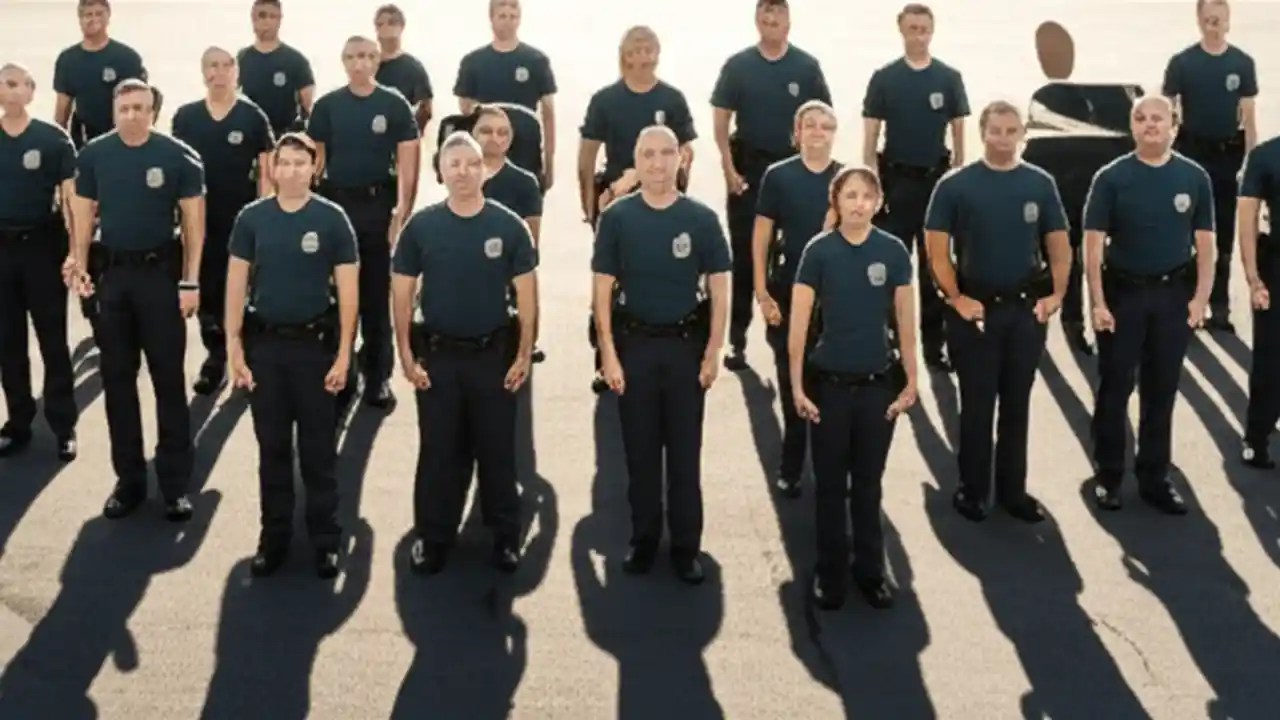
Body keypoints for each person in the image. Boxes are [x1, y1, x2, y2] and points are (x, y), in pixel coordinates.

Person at [391, 132, 537, 575]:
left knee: (497, 451)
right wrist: (406, 355)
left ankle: (506, 538)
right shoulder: (421, 228)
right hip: (439, 357)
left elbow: (528, 298)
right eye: (454, 164)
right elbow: (401, 295)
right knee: (439, 452)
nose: (463, 172)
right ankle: (433, 539)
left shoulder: (508, 226)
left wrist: (524, 354)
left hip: (492, 355)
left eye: (471, 164)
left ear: (485, 169)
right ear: (440, 171)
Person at [592, 125, 731, 584]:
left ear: (681, 159)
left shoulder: (701, 219)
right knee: (641, 451)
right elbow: (602, 290)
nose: (657, 163)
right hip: (635, 347)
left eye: (666, 153)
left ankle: (686, 548)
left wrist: (713, 350)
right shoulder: (617, 218)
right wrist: (608, 353)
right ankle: (644, 540)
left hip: (686, 347)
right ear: (636, 160)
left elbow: (719, 286)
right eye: (648, 154)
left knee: (686, 453)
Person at [63, 79, 205, 521]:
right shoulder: (94, 156)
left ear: (153, 111)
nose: (131, 116)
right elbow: (82, 219)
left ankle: (175, 486)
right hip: (114, 279)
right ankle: (128, 482)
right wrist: (80, 265)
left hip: (160, 278)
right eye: (124, 108)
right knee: (118, 383)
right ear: (113, 109)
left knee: (168, 382)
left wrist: (190, 281)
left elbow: (194, 225)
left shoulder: (178, 156)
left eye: (140, 108)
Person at [924, 101, 1072, 523]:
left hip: (1025, 312)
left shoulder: (1039, 183)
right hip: (976, 312)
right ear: (983, 133)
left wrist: (1057, 294)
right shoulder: (956, 185)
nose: (1003, 138)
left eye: (1011, 131)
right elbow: (937, 250)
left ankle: (1013, 492)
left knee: (1016, 404)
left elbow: (1058, 243)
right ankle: (972, 491)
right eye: (996, 130)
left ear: (1022, 134)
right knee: (976, 405)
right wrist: (955, 298)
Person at [224, 132, 359, 579]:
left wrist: (343, 355)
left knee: (319, 452)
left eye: (302, 163)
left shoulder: (333, 219)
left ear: (314, 168)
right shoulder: (252, 219)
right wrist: (234, 347)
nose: (293, 171)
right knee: (273, 449)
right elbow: (236, 286)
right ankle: (273, 536)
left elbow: (349, 294)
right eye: (285, 163)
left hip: (315, 350)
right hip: (266, 350)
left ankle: (326, 540)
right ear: (273, 169)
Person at [789, 165, 918, 610]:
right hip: (829, 388)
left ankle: (871, 571)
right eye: (850, 196)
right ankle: (830, 572)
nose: (859, 204)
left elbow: (905, 321)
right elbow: (800, 325)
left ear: (878, 202)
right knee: (829, 485)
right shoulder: (818, 252)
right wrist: (797, 387)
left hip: (877, 387)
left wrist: (912, 381)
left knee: (868, 484)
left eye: (866, 196)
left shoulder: (894, 251)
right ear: (836, 202)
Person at [1084, 95, 1214, 514]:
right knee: (1115, 387)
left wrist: (1200, 298)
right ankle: (1108, 475)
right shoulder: (1111, 177)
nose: (1149, 125)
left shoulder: (1194, 177)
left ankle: (1155, 477)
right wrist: (1098, 302)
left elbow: (1206, 243)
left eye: (1157, 118)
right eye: (1140, 119)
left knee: (1162, 390)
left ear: (1174, 126)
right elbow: (1092, 244)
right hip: (1124, 296)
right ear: (1132, 127)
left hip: (1173, 296)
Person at [711, 0, 831, 371]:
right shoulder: (738, 66)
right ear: (757, 20)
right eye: (765, 14)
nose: (771, 20)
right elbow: (720, 121)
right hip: (751, 170)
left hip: (793, 171)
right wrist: (730, 171)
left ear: (788, 21)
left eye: (777, 14)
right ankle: (738, 340)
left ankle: (803, 331)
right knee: (748, 257)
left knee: (799, 253)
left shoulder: (806, 67)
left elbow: (823, 121)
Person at [580, 24, 697, 391]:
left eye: (650, 46)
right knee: (609, 283)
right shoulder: (605, 100)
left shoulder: (673, 100)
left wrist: (672, 179)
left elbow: (688, 150)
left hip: (663, 201)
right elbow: (587, 158)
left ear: (658, 53)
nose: (643, 53)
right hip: (616, 201)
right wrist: (591, 207)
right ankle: (605, 360)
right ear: (624, 54)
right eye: (636, 47)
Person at [308, 35, 419, 411]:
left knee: (374, 297)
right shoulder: (327, 106)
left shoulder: (393, 104)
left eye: (368, 56)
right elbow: (315, 164)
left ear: (377, 61)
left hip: (377, 210)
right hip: (336, 207)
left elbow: (408, 166)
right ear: (343, 61)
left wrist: (401, 216)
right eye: (353, 56)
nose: (360, 62)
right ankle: (340, 374)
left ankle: (378, 378)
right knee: (335, 296)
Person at [862, 3, 970, 372]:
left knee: (934, 266)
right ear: (902, 30)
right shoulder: (885, 78)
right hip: (896, 183)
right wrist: (871, 184)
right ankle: (890, 341)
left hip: (934, 184)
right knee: (893, 266)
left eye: (924, 28)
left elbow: (958, 131)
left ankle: (933, 345)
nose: (919, 35)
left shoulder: (948, 78)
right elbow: (871, 135)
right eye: (912, 28)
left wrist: (957, 177)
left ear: (932, 31)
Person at [171, 47, 274, 395]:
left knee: (247, 292)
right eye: (211, 65)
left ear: (235, 71)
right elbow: (175, 171)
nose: (218, 71)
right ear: (203, 73)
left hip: (242, 222)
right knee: (209, 295)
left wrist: (265, 219)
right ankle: (215, 358)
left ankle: (246, 360)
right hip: (201, 223)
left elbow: (266, 172)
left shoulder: (252, 117)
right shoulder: (186, 117)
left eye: (225, 65)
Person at [752, 100, 841, 498]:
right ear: (797, 132)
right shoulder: (778, 177)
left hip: (836, 300)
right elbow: (761, 237)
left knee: (832, 389)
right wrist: (761, 292)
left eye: (825, 125)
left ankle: (833, 470)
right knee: (792, 385)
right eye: (810, 125)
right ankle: (792, 465)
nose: (817, 132)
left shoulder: (847, 179)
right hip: (788, 295)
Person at [1163, 0, 1257, 333]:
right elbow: (1167, 113)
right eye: (1207, 20)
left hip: (1227, 158)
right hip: (1190, 155)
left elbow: (1248, 117)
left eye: (1218, 19)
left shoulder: (1242, 64)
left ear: (1228, 21)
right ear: (1199, 21)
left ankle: (1219, 308)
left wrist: (1251, 165)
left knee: (1224, 237)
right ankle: (1189, 308)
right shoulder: (1182, 63)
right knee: (1188, 235)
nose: (1212, 25)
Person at [0, 63, 79, 461]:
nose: (11, 91)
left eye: (19, 85)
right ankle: (18, 422)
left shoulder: (53, 139)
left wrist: (76, 252)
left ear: (32, 92)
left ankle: (63, 424)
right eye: (4, 84)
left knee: (52, 338)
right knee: (8, 341)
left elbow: (71, 199)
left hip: (41, 248)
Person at [454, 0, 556, 190]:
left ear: (519, 20)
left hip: (526, 148)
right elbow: (465, 110)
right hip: (485, 149)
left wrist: (549, 161)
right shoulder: (472, 62)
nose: (508, 21)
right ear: (491, 18)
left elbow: (548, 112)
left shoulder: (536, 60)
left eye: (513, 17)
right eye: (502, 16)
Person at [473, 104, 545, 363]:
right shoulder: (460, 173)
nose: (495, 138)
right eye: (487, 131)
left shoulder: (524, 182)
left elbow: (530, 242)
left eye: (503, 132)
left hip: (505, 276)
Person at [53, 0, 147, 150]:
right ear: (80, 19)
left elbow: (143, 103)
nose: (93, 19)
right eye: (88, 15)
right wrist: (59, 144)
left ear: (108, 16)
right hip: (85, 142)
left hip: (123, 141)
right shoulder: (68, 59)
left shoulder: (127, 58)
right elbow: (62, 111)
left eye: (99, 14)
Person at [1237, 135, 1279, 468]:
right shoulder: (1266, 156)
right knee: (1271, 357)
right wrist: (1253, 278)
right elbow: (1247, 216)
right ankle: (1256, 437)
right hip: (1276, 269)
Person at [374, 3, 433, 212]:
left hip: (403, 148)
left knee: (402, 206)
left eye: (391, 22)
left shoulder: (412, 68)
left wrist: (409, 137)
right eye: (380, 24)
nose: (386, 28)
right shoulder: (369, 65)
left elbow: (426, 108)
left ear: (401, 27)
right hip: (370, 146)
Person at [237, 0, 316, 137]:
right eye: (262, 16)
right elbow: (231, 97)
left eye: (272, 16)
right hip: (251, 137)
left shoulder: (296, 60)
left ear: (279, 20)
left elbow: (308, 107)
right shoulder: (242, 59)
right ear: (253, 19)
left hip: (287, 138)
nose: (267, 21)